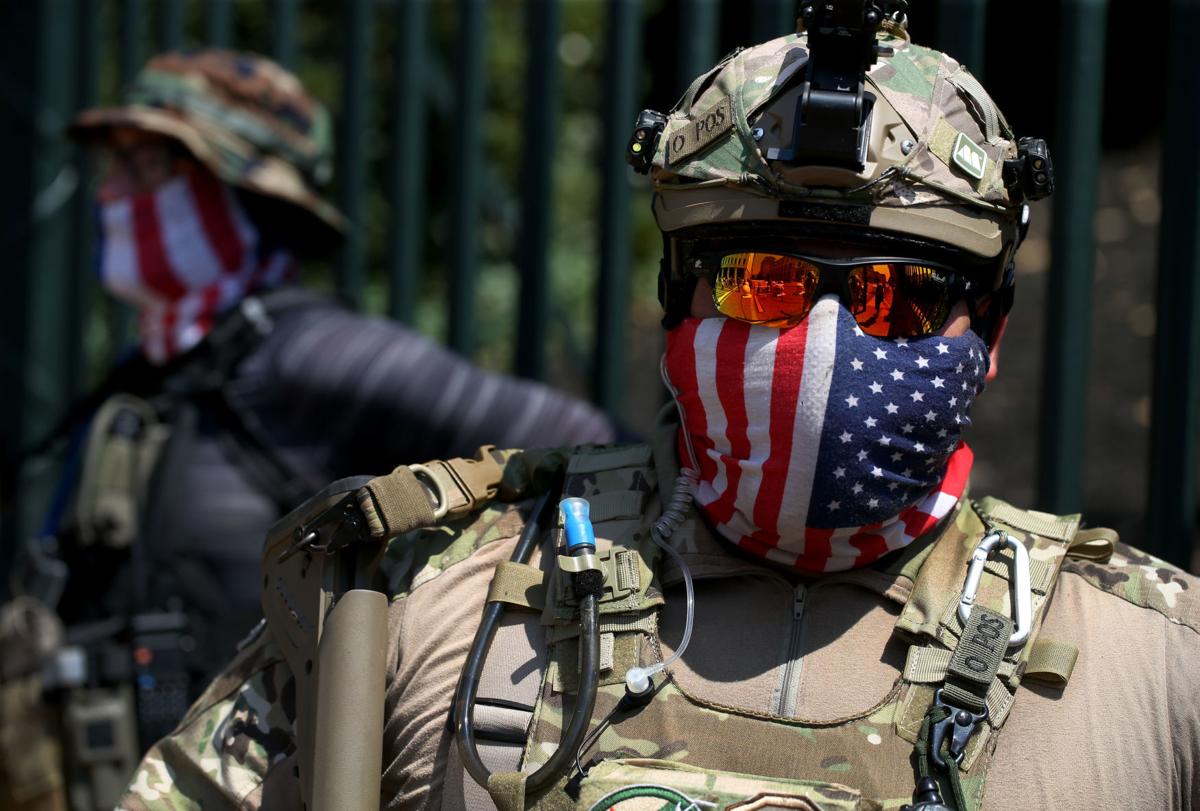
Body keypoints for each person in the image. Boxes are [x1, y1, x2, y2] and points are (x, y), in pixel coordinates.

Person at [117, 10, 1199, 811]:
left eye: (898, 297)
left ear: (989, 334)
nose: (826, 342)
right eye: (763, 284)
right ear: (677, 303)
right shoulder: (420, 603)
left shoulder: (1157, 666)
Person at [1, 50, 621, 811]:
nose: (109, 191)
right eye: (113, 165)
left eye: (148, 165)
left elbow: (585, 450)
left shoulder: (310, 356)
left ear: (243, 192)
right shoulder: (159, 367)